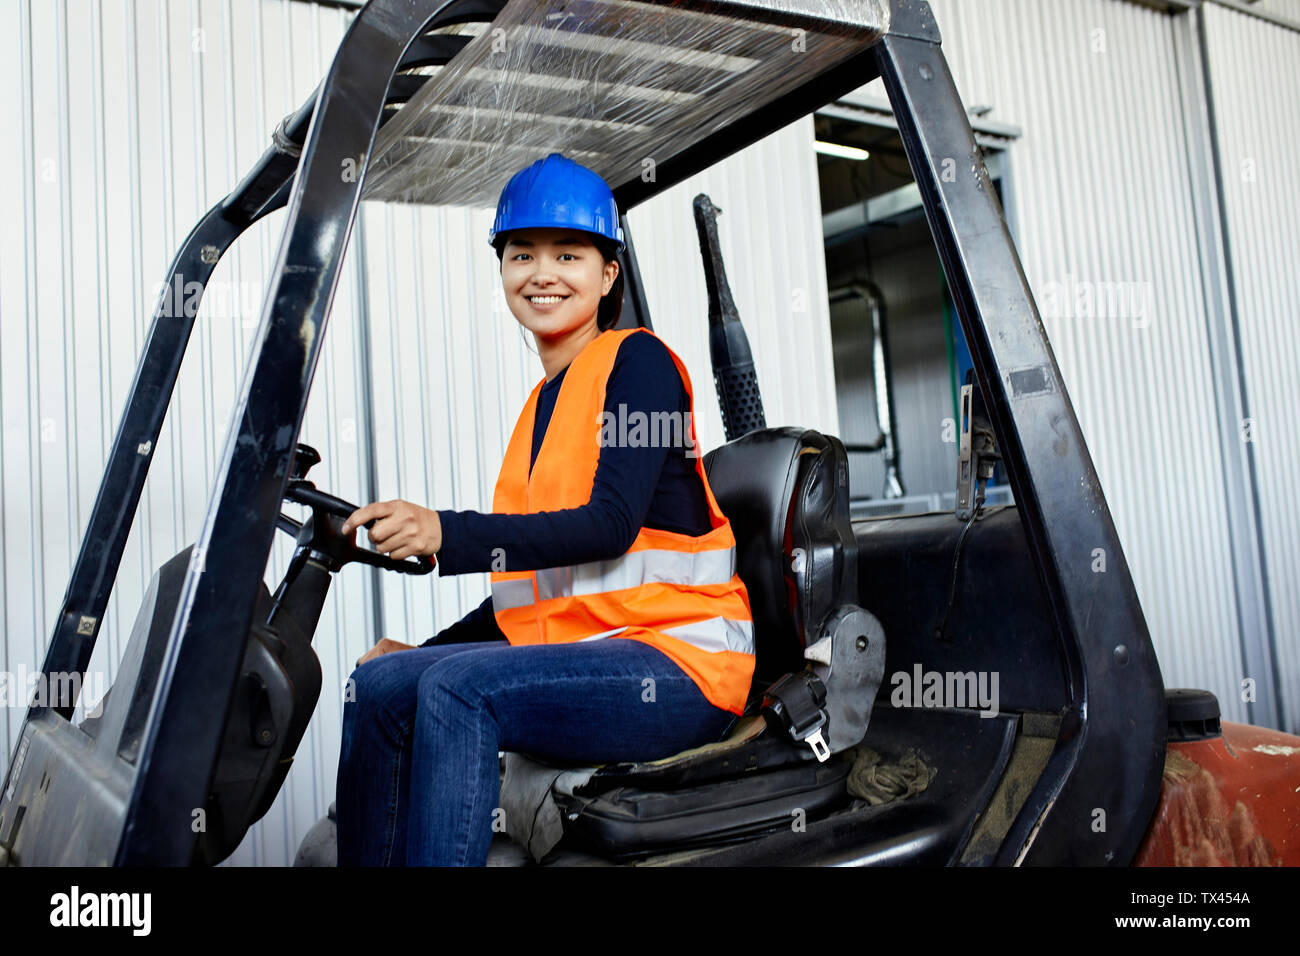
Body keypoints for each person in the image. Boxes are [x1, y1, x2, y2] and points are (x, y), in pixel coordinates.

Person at [334, 153, 756, 866]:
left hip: (681, 665)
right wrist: (425, 650)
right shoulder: (540, 407)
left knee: (460, 693)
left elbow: (610, 526)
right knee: (377, 685)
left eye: (569, 253)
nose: (543, 273)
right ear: (502, 272)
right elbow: (534, 593)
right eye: (521, 254)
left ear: (607, 273)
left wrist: (445, 532)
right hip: (593, 654)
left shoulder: (639, 364)